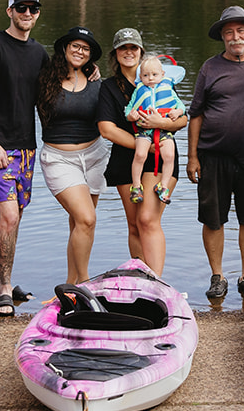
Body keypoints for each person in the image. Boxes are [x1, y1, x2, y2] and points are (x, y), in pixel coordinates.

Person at [187, 5, 244, 300]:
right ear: (223, 37)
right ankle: (218, 276)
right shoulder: (210, 68)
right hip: (213, 156)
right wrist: (192, 157)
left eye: (241, 31)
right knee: (213, 219)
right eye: (229, 32)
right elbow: (196, 114)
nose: (235, 37)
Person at [0, 0, 51, 316]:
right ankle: (3, 288)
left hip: (27, 146)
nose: (27, 14)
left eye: (33, 8)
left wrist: (90, 76)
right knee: (9, 216)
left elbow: (49, 98)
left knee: (16, 216)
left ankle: (2, 279)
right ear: (10, 11)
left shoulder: (40, 53)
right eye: (21, 8)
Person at [98, 29, 186, 276]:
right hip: (128, 158)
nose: (128, 52)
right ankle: (140, 276)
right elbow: (106, 129)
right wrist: (141, 146)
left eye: (133, 48)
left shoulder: (159, 79)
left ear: (140, 52)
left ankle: (156, 280)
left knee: (148, 218)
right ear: (115, 53)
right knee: (135, 224)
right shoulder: (109, 87)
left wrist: (161, 126)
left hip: (160, 155)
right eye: (123, 48)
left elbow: (182, 119)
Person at [37, 27, 108, 285]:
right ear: (65, 49)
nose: (80, 51)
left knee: (80, 224)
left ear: (91, 56)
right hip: (59, 158)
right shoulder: (45, 79)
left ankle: (71, 284)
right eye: (75, 46)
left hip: (95, 156)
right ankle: (86, 284)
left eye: (86, 48)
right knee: (87, 218)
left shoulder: (97, 83)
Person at [125, 54, 186, 205]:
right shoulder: (138, 90)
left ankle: (163, 186)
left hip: (164, 131)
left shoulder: (168, 88)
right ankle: (136, 186)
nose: (150, 78)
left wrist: (176, 112)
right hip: (144, 131)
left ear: (163, 75)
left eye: (154, 74)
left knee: (169, 155)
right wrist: (131, 116)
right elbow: (128, 110)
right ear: (140, 76)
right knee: (139, 154)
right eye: (146, 75)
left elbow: (181, 107)